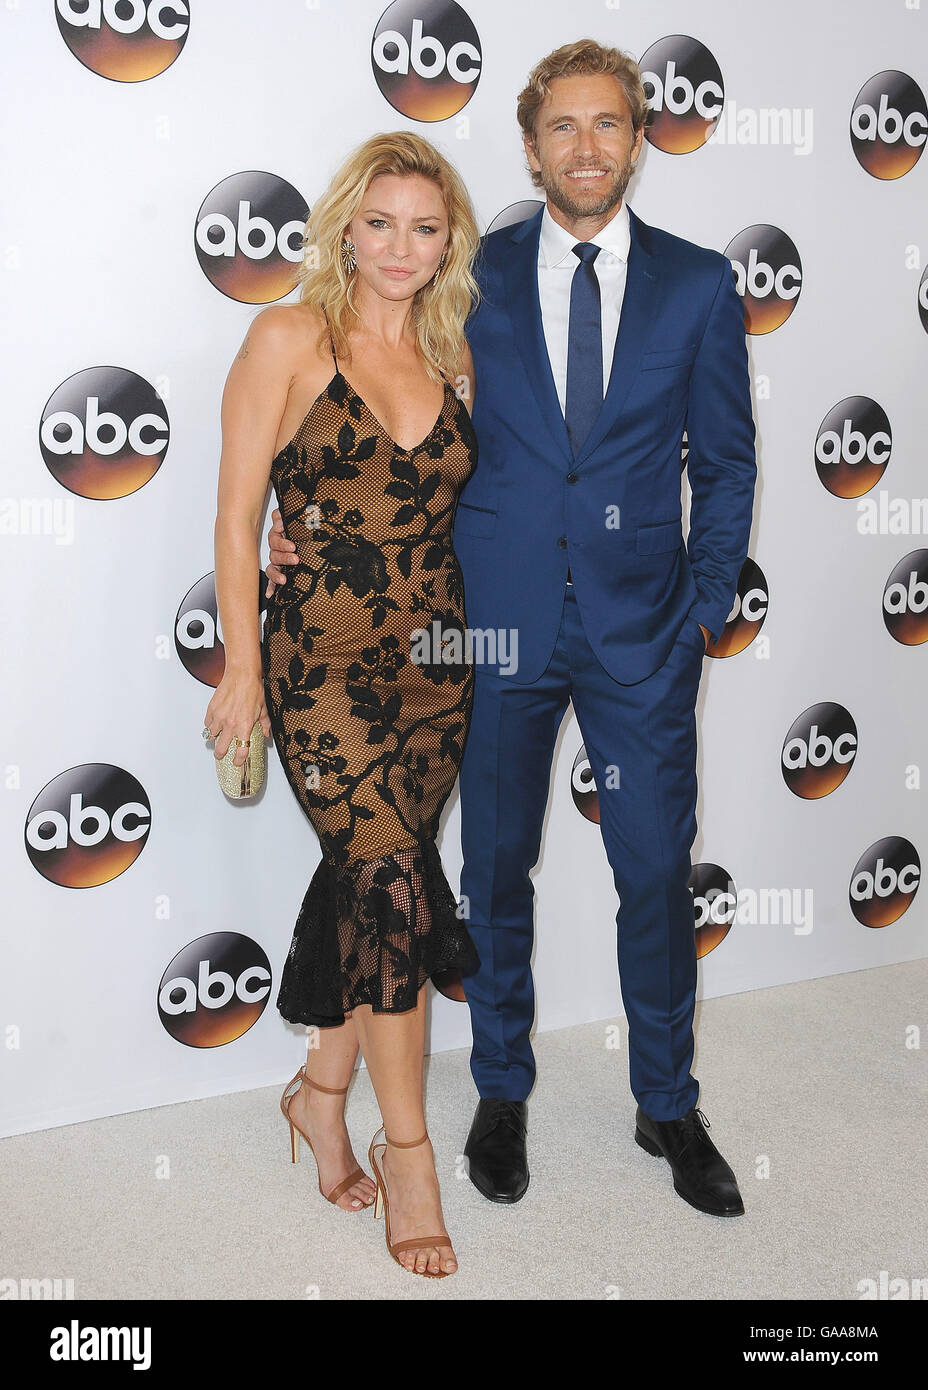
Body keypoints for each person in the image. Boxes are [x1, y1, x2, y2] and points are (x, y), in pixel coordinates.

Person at [268, 39, 757, 1220]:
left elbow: (725, 463)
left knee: (654, 872)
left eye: (608, 124)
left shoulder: (698, 285)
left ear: (637, 141)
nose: (585, 147)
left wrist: (699, 613)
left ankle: (666, 1100)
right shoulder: (461, 275)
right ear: (531, 149)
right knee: (491, 873)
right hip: (482, 632)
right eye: (562, 127)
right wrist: (296, 528)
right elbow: (378, 418)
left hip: (643, 635)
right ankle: (499, 1088)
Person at [205, 130, 482, 1277]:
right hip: (318, 666)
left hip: (437, 668)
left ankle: (319, 1093)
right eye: (380, 223)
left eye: (424, 227)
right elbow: (236, 519)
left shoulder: (455, 354)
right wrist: (240, 666)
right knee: (392, 890)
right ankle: (407, 1153)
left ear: (448, 241)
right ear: (345, 229)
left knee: (373, 889)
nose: (400, 248)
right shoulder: (287, 337)